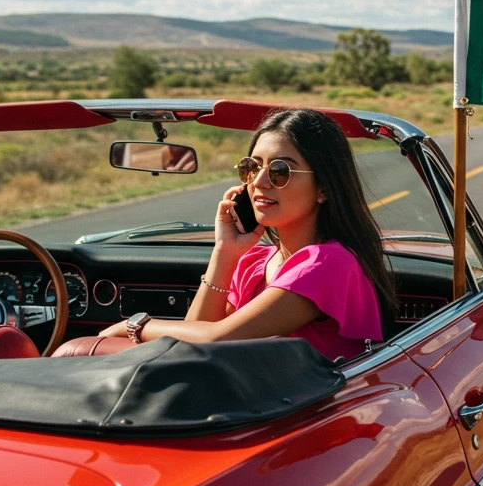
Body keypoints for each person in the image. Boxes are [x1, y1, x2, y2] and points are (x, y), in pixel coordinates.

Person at [100, 108, 396, 359]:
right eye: (251, 167)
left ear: (323, 189)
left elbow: (216, 339)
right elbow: (192, 343)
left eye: (280, 171)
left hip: (306, 418)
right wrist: (225, 252)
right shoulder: (256, 261)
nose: (260, 182)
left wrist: (135, 325)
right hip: (255, 408)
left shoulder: (328, 262)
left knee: (78, 351)